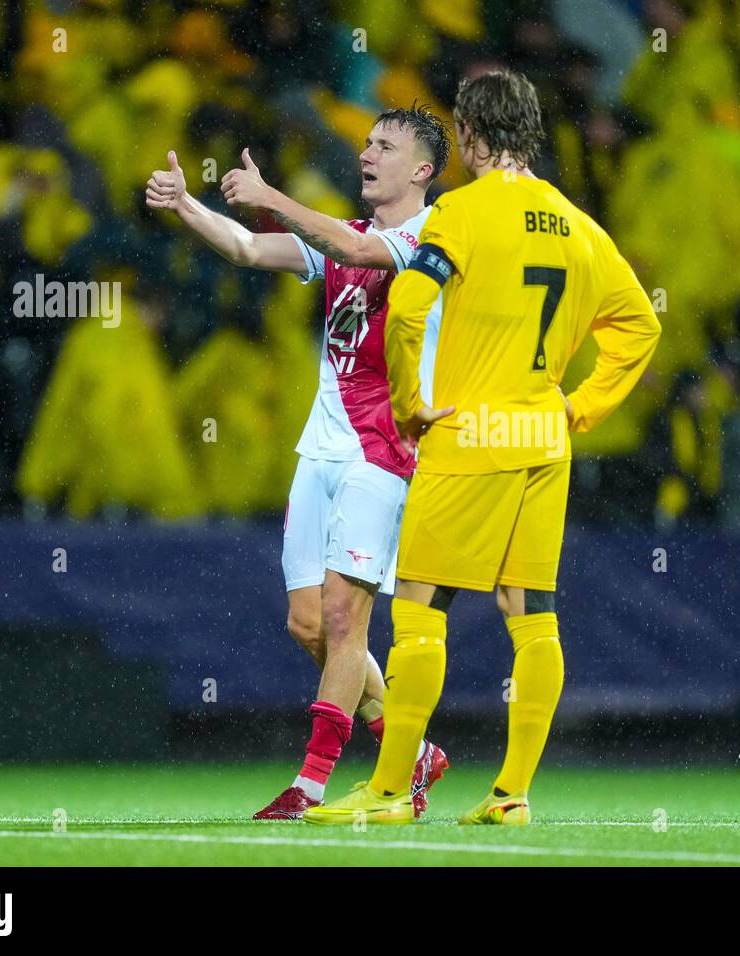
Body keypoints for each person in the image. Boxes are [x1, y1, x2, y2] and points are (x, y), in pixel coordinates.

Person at [305, 70, 661, 827]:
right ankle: (512, 794)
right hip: (543, 437)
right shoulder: (578, 224)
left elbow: (406, 306)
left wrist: (407, 405)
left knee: (421, 612)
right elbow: (641, 328)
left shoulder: (459, 214)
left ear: (467, 135)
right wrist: (580, 407)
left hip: (468, 435)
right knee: (533, 616)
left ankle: (392, 789)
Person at [145, 106, 452, 820]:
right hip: (320, 448)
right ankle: (413, 750)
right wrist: (187, 204)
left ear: (423, 171)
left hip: (382, 451)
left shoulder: (429, 238)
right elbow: (252, 251)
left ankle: (308, 785)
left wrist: (274, 197)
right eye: (367, 142)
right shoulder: (350, 236)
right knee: (307, 625)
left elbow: (357, 247)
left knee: (348, 620)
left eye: (386, 146)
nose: (368, 153)